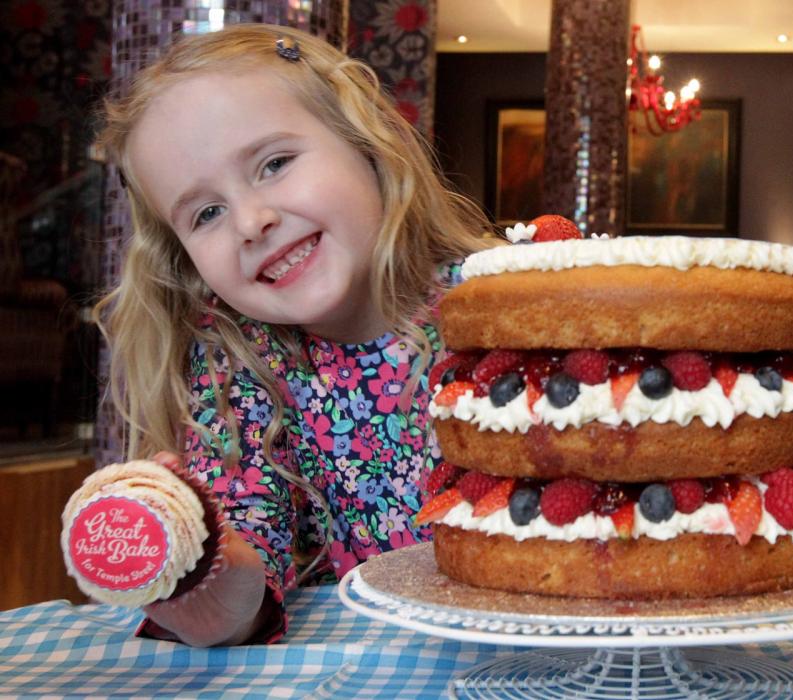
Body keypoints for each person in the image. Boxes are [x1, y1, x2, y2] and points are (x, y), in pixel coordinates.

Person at [93, 23, 494, 646]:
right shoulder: (240, 362)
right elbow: (247, 533)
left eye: (274, 164)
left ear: (366, 143)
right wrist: (206, 584)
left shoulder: (499, 305)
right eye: (206, 213)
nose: (252, 222)